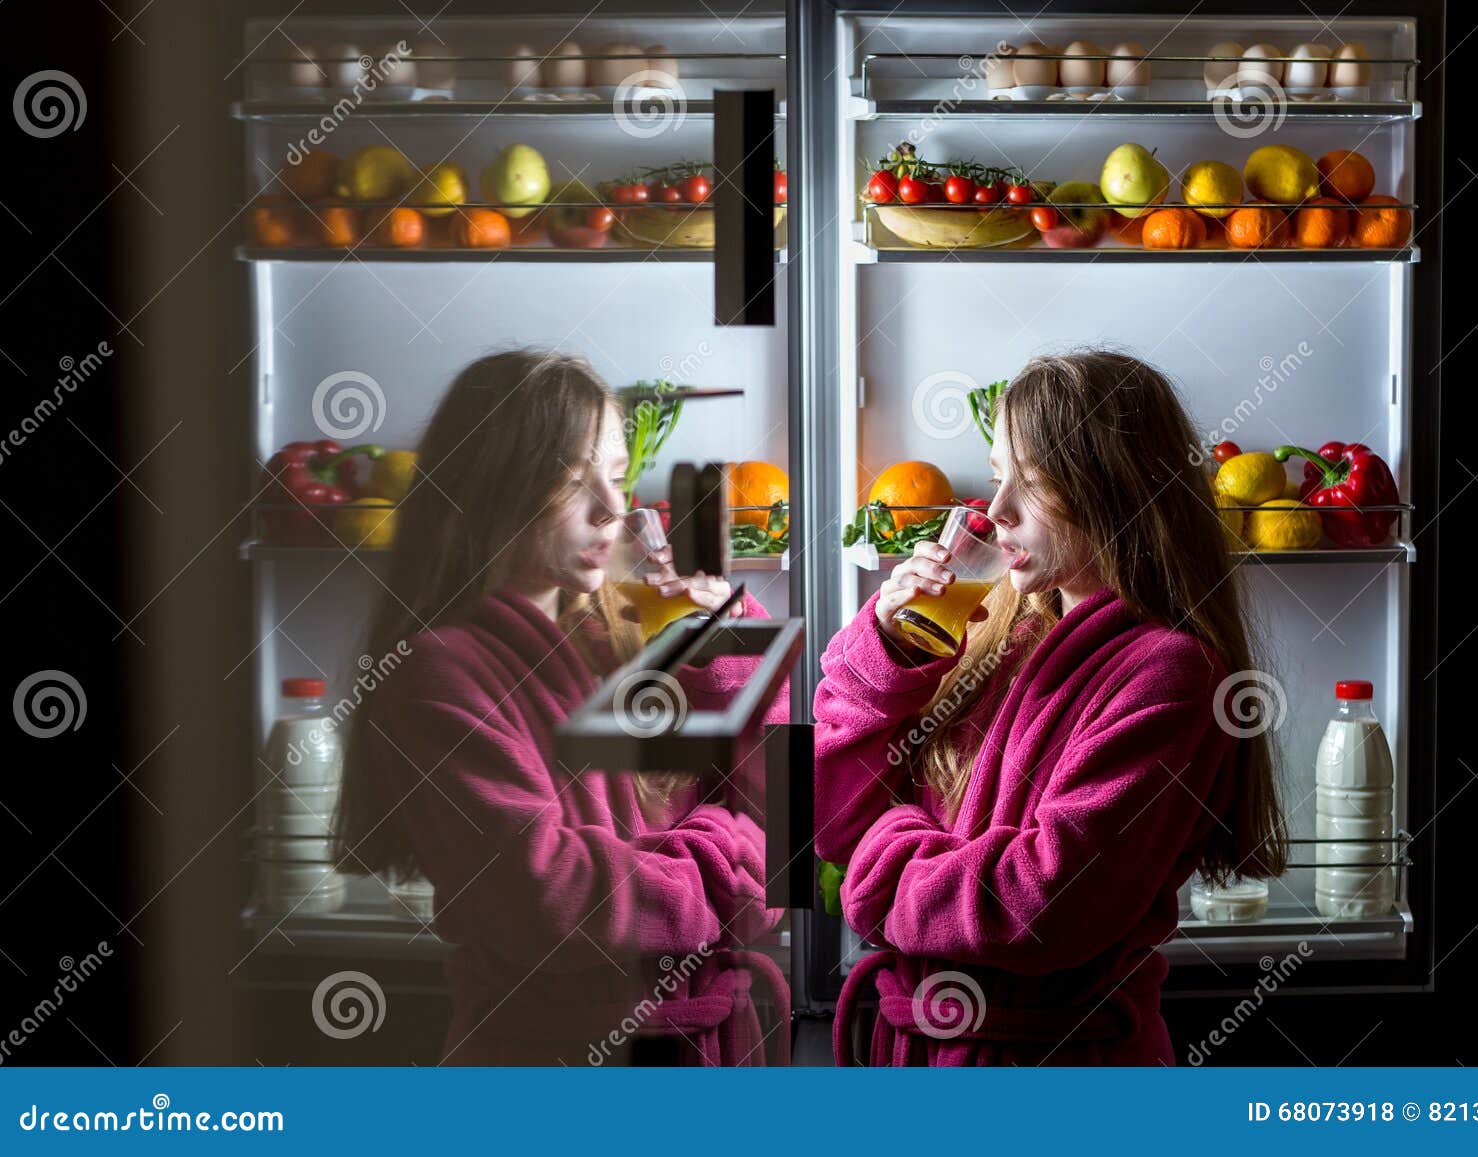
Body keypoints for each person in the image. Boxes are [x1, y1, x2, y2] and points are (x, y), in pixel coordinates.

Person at [815, 350, 1288, 1066]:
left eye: (1031, 483)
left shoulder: (1172, 674)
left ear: (1115, 491)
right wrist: (889, 653)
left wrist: (877, 861)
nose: (995, 509)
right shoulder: (998, 632)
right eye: (997, 472)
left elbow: (1033, 906)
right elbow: (825, 817)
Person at [334, 349, 786, 1066]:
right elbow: (552, 903)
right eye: (574, 481)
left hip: (706, 1049)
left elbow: (786, 836)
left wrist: (729, 670)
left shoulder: (631, 644)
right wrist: (723, 862)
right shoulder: (435, 674)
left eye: (617, 476)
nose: (613, 508)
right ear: (492, 491)